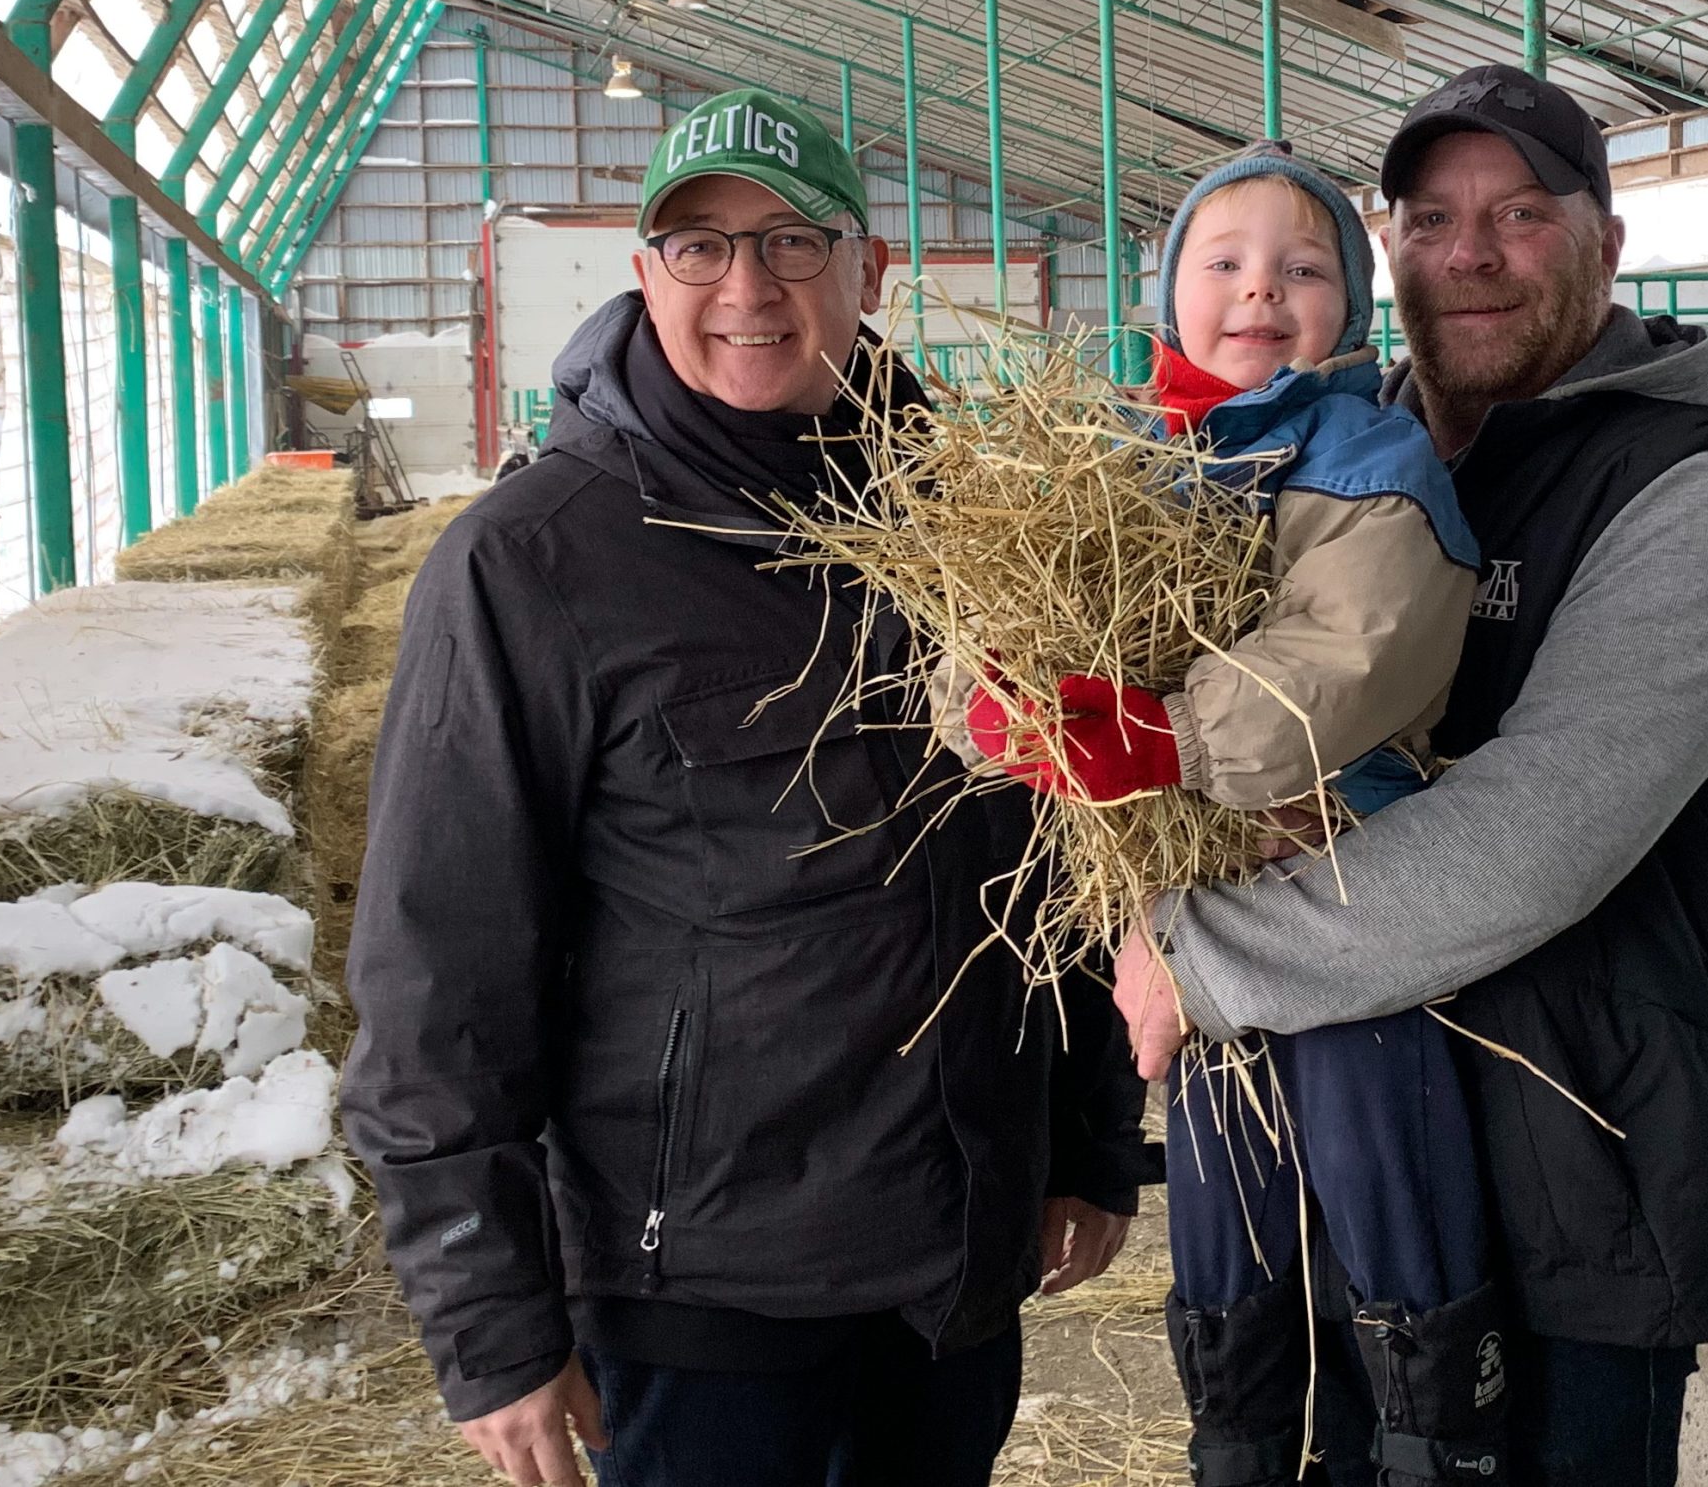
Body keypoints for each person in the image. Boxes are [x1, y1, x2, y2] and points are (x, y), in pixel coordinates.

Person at [342, 85, 1153, 1487]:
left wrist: (1083, 1141)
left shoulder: (982, 515)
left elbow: (1054, 853)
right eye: (701, 247)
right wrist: (490, 1324)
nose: (747, 288)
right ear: (645, 274)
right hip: (702, 1296)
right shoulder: (535, 560)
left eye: (792, 243)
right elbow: (438, 966)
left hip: (954, 1266)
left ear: (871, 270)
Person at [1111, 65, 1708, 1486]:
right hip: (1341, 1173)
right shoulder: (1335, 462)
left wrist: (1203, 957)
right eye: (1432, 217)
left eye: (1522, 213)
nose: (1472, 252)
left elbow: (1535, 836)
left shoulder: (1701, 500)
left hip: (1578, 1203)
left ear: (1607, 245)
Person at [957, 143, 1504, 1485]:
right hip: (1199, 906)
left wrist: (1167, 736)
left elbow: (1351, 657)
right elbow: (1038, 613)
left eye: (1303, 267)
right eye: (1225, 262)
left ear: (1352, 309)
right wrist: (1006, 702)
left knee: (1385, 1196)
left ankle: (1435, 1443)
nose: (1261, 290)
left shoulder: (1371, 458)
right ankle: (1242, 1444)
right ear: (1168, 295)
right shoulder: (1132, 456)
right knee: (1224, 1210)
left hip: (1347, 883)